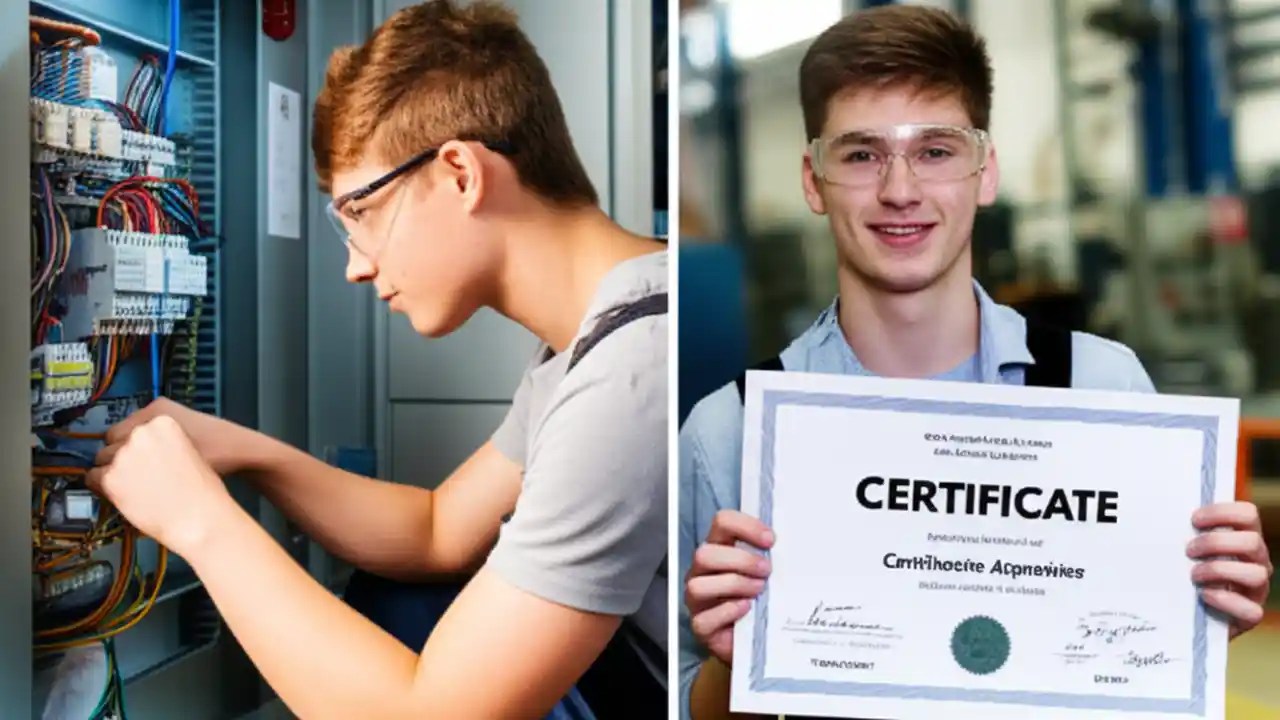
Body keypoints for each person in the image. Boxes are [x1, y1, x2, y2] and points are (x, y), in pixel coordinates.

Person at [677, 6, 1274, 719]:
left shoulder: (1103, 390)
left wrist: (1201, 619)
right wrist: (737, 664)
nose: (901, 189)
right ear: (813, 179)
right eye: (861, 154)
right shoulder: (728, 434)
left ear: (985, 172)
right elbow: (681, 701)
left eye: (936, 150)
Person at [86, 2, 668, 718]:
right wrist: (246, 453)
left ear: (459, 173)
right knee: (397, 596)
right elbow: (438, 529)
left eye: (358, 214)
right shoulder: (599, 333)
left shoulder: (633, 372)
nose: (354, 267)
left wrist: (199, 521)